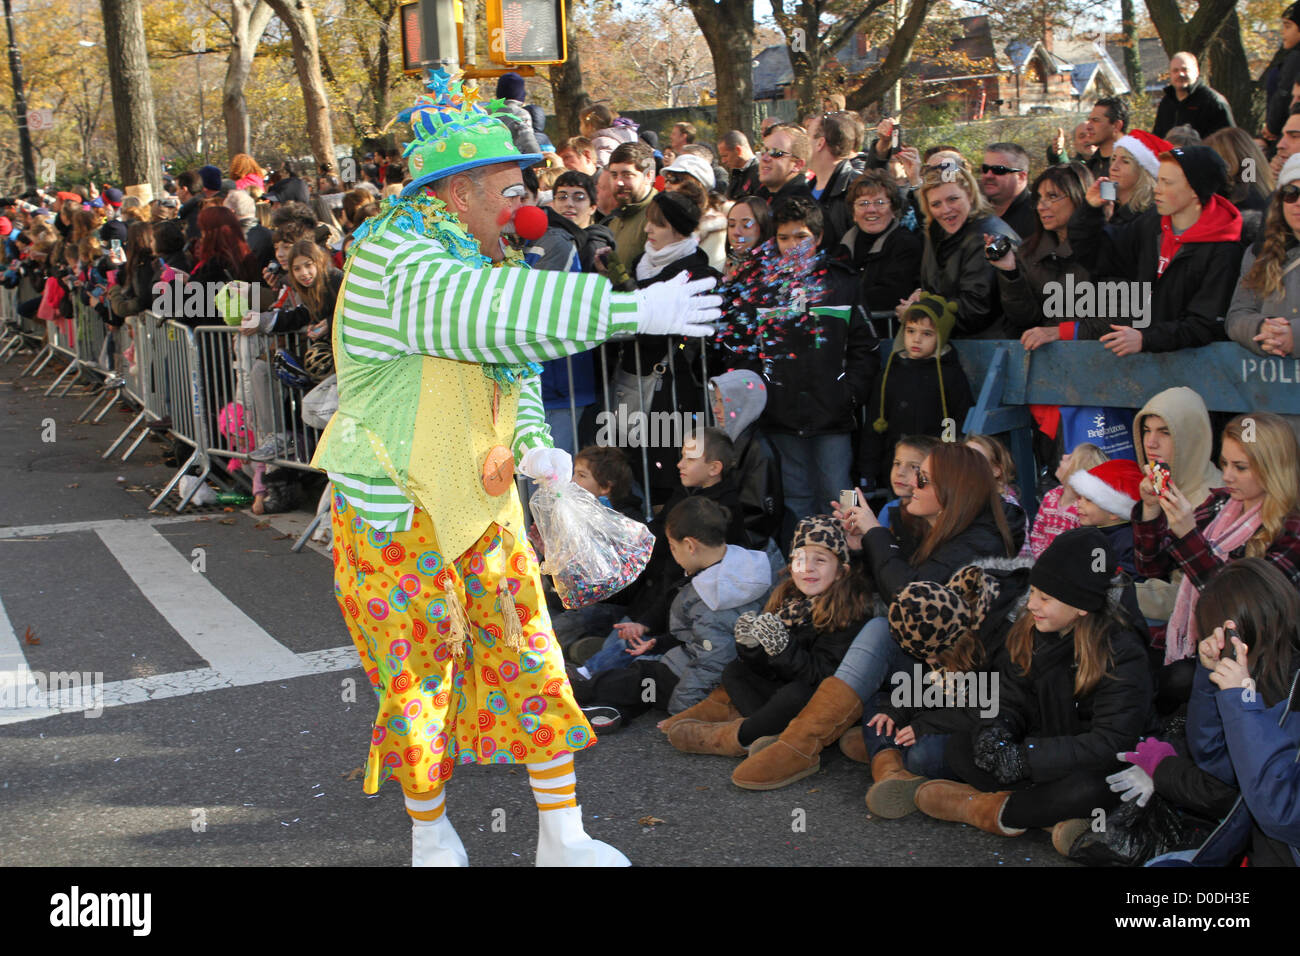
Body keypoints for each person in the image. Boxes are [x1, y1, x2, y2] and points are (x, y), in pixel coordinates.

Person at [308, 71, 722, 867]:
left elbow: (512, 357)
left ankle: (562, 836)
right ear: (457, 191)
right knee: (417, 678)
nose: (523, 202)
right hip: (399, 507)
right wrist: (629, 308)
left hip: (485, 503)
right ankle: (431, 836)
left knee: (532, 656)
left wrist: (536, 440)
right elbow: (478, 314)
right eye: (508, 186)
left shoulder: (479, 249)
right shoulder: (394, 252)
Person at [721, 443, 1018, 790]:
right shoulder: (938, 527)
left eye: (923, 478)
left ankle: (802, 743)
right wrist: (863, 547)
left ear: (954, 490)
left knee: (879, 633)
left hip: (963, 678)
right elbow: (896, 579)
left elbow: (909, 601)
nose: (911, 483)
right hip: (928, 671)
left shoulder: (978, 541)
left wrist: (876, 533)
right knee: (873, 677)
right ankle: (869, 760)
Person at [918, 529, 1153, 852]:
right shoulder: (1032, 628)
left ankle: (983, 809)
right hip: (1043, 750)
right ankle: (1045, 814)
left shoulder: (1123, 653)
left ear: (1081, 606)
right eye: (1034, 593)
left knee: (1092, 789)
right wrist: (997, 732)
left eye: (1045, 598)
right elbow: (1011, 694)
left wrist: (1027, 759)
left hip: (1089, 763)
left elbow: (1111, 743)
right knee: (963, 746)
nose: (1032, 605)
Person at [713, 197, 878, 528]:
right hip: (781, 415)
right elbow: (744, 349)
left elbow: (865, 345)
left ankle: (849, 566)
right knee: (795, 499)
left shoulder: (842, 283)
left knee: (841, 492)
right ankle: (803, 567)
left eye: (800, 237)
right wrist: (765, 393)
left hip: (833, 416)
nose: (792, 246)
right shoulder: (760, 287)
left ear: (816, 238)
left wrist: (850, 392)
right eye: (784, 238)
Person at [663, 515, 869, 762]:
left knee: (796, 693)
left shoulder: (847, 611)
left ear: (840, 572)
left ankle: (740, 736)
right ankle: (773, 732)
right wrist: (750, 646)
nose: (808, 568)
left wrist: (782, 647)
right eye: (800, 559)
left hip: (818, 701)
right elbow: (766, 670)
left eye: (820, 560)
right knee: (734, 671)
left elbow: (821, 677)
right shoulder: (787, 601)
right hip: (783, 690)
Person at [1146, 558, 1300, 866]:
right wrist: (1209, 677)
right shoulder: (1266, 674)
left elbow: (1281, 813)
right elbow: (1217, 762)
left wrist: (1241, 702)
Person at [572, 497, 771, 730]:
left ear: (690, 545)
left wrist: (681, 712)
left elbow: (712, 663)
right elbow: (702, 638)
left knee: (639, 679)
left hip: (683, 679)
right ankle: (614, 713)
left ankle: (576, 692)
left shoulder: (714, 598)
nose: (674, 555)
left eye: (673, 548)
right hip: (691, 666)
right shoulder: (740, 568)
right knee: (641, 682)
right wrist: (658, 643)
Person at [1133, 412, 1300, 675]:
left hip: (1255, 663)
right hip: (1198, 644)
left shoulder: (1291, 528)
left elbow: (1241, 610)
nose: (1227, 476)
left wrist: (1189, 536)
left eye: (1240, 467)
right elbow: (1151, 568)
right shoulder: (1220, 503)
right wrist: (1151, 510)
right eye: (1224, 463)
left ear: (1274, 467)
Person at [854, 566, 1013, 817]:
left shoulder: (995, 646)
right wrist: (897, 711)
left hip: (980, 724)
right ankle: (890, 768)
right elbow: (928, 684)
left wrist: (923, 726)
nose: (929, 661)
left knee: (921, 755)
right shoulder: (946, 635)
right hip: (948, 710)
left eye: (931, 656)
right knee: (879, 705)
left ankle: (890, 752)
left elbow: (987, 710)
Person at [1064, 146, 1243, 354]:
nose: (1157, 189)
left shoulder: (1225, 248)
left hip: (1196, 368)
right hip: (1145, 357)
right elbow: (1100, 257)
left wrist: (1147, 339)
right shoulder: (1153, 223)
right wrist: (1091, 210)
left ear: (1195, 191)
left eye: (1167, 183)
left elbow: (1205, 323)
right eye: (1159, 180)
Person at [858, 293, 973, 489]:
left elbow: (958, 419)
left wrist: (950, 455)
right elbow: (874, 425)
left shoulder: (950, 376)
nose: (916, 339)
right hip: (895, 468)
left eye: (926, 333)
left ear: (941, 336)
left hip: (935, 469)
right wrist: (867, 470)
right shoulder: (889, 375)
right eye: (910, 331)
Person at [906, 162, 1018, 338]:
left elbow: (977, 309)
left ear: (970, 196)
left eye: (953, 199)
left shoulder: (987, 236)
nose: (946, 210)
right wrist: (921, 296)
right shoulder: (937, 232)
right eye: (936, 204)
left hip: (993, 345)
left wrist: (921, 311)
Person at [996, 162, 1095, 341]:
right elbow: (1025, 319)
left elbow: (1119, 318)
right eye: (1039, 198)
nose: (1042, 206)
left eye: (1052, 196)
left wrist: (1061, 332)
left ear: (1079, 196)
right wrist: (1010, 274)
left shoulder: (1107, 248)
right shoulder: (1028, 252)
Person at [1226, 153, 1300, 357]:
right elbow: (1237, 315)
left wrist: (1294, 335)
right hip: (1270, 385)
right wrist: (1261, 329)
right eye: (1291, 193)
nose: (1298, 202)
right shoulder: (1259, 252)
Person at [708, 368, 784, 553]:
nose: (716, 409)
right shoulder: (730, 441)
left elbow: (759, 514)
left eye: (723, 401)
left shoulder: (758, 450)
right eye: (716, 400)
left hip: (745, 550)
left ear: (742, 403)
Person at [832, 169, 923, 322]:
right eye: (863, 203)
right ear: (853, 213)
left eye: (880, 202)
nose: (871, 209)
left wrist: (840, 296)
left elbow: (892, 295)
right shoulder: (843, 247)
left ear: (894, 209)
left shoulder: (906, 244)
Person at [1027, 443, 1108, 559]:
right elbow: (1037, 532)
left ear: (1078, 473)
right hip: (1042, 563)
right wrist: (1041, 558)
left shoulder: (1083, 509)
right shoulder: (1050, 496)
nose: (1064, 456)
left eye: (1070, 458)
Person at [1068, 458, 1144, 578]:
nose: (1079, 504)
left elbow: (1124, 580)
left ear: (1113, 512)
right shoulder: (1092, 533)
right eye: (1080, 497)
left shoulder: (1129, 541)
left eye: (1088, 500)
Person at [807, 112, 866, 251]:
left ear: (820, 143)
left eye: (807, 136)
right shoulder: (807, 189)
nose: (803, 143)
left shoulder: (856, 188)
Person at [602, 141, 658, 272]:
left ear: (648, 175)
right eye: (614, 175)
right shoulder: (614, 219)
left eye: (627, 175)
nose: (618, 182)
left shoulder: (660, 216)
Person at [1153, 53, 1235, 141]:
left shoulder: (1213, 102)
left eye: (1185, 70)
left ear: (1197, 72)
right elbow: (1157, 138)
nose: (1180, 74)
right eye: (1175, 70)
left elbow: (1229, 142)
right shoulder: (1167, 102)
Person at [874, 435, 940, 531]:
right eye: (897, 463)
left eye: (914, 466)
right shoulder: (889, 509)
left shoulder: (934, 515)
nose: (900, 472)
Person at [980, 143, 1036, 240]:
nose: (988, 175)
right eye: (985, 169)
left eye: (998, 170)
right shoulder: (974, 210)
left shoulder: (1039, 216)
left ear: (1021, 177)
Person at [1264, 5, 1300, 145]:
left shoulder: (1296, 58)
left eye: (1288, 26)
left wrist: (1272, 126)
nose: (1282, 32)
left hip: (1287, 135)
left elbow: (1284, 93)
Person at [756, 123, 814, 206]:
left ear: (797, 165)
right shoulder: (761, 197)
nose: (764, 158)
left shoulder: (801, 207)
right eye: (763, 151)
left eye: (775, 152)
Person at [723, 195, 772, 279]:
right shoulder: (725, 265)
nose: (736, 232)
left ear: (763, 226)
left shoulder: (769, 272)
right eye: (732, 225)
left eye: (746, 226)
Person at [1084, 97, 1130, 181]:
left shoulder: (1132, 167)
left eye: (1095, 120)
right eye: (1089, 120)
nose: (1088, 127)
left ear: (1116, 125)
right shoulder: (1091, 166)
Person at [719, 130, 760, 201]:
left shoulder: (759, 173)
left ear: (738, 150)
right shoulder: (736, 174)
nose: (723, 161)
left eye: (725, 156)